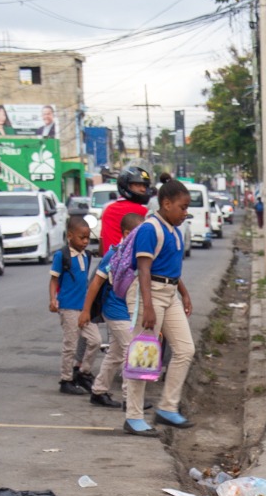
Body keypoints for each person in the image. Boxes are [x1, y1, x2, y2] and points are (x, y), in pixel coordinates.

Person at [122, 179, 195, 434]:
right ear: (166, 204)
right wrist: (149, 307)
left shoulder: (173, 229)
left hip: (170, 292)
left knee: (185, 349)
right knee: (143, 357)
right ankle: (133, 417)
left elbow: (171, 268)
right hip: (149, 293)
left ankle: (167, 407)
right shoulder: (149, 229)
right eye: (182, 207)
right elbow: (144, 270)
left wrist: (184, 294)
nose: (185, 213)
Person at [83, 211, 142, 406]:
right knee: (130, 350)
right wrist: (85, 311)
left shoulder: (137, 255)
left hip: (127, 311)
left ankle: (98, 391)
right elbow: (96, 283)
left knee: (116, 353)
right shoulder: (115, 254)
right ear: (126, 233)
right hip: (114, 309)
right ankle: (130, 400)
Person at [50, 216, 96, 395]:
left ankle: (83, 372)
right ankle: (66, 379)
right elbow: (54, 280)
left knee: (95, 340)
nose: (85, 242)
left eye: (87, 238)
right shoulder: (62, 256)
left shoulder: (87, 256)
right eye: (81, 238)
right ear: (70, 236)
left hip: (83, 308)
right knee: (70, 344)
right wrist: (53, 299)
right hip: (68, 307)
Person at [99, 162, 151, 253]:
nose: (143, 189)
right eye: (138, 185)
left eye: (144, 186)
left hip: (108, 264)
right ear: (126, 186)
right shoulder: (142, 211)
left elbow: (102, 245)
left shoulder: (108, 209)